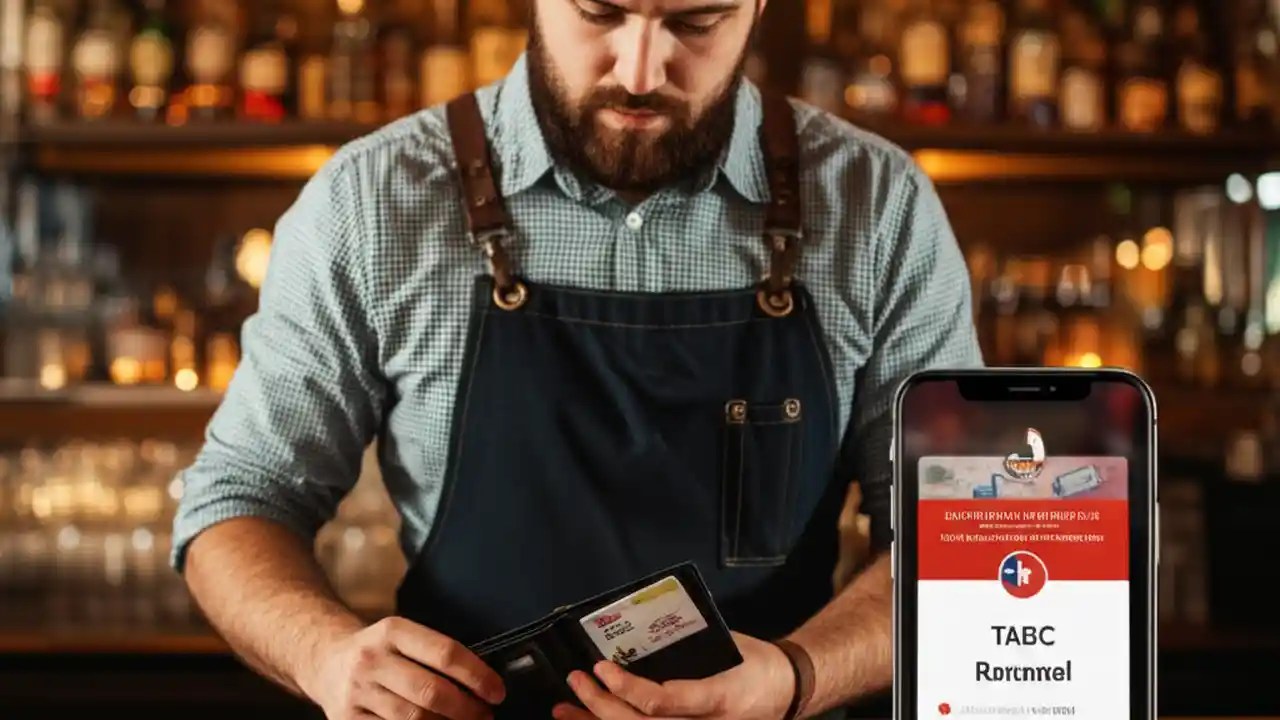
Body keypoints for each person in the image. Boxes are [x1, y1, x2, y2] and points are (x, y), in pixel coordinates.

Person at [170, 0, 983, 718]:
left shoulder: (878, 208)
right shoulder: (373, 201)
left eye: (696, 22)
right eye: (599, 14)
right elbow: (243, 497)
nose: (639, 71)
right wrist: (325, 654)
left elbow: (960, 538)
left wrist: (798, 678)